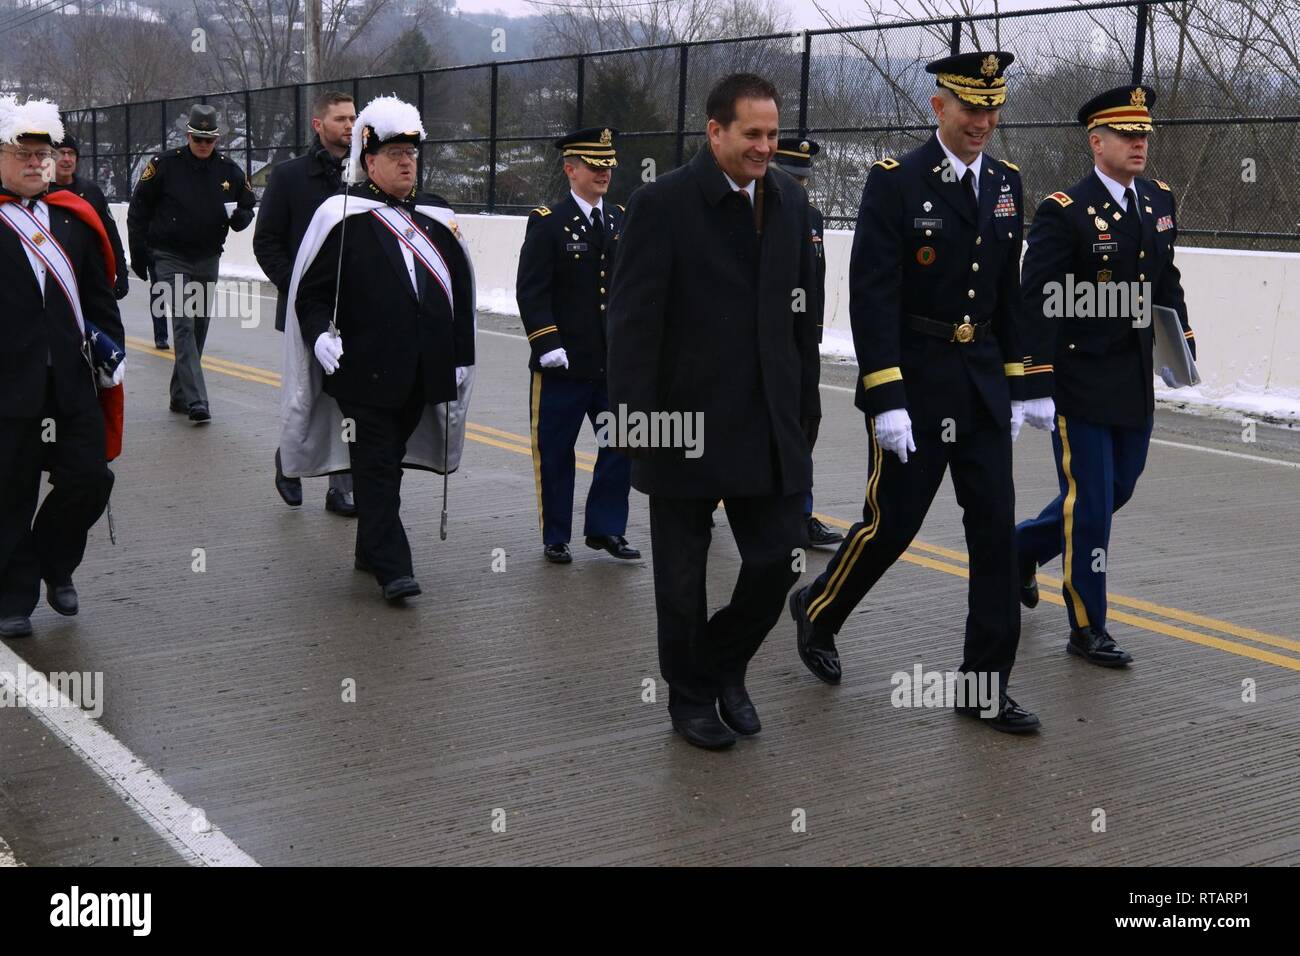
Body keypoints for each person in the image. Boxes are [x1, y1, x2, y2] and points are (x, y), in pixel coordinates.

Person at [787, 51, 1040, 733]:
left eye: (993, 108)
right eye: (970, 107)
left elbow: (1007, 293)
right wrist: (886, 395)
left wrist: (1021, 383)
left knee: (994, 537)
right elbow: (872, 293)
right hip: (918, 383)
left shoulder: (1009, 183)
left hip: (982, 384)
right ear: (939, 108)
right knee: (891, 526)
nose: (983, 120)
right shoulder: (896, 181)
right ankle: (817, 610)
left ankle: (983, 686)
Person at [607, 73, 821, 750]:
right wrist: (632, 420)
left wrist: (804, 411)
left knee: (780, 560)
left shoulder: (789, 201)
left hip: (765, 424)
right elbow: (632, 324)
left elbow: (802, 324)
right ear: (715, 132)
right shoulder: (662, 204)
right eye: (752, 134)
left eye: (772, 134)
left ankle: (724, 662)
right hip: (680, 425)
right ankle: (692, 698)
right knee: (680, 578)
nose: (764, 147)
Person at [1016, 85, 1194, 667]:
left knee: (1118, 489)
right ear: (1097, 142)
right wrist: (1037, 377)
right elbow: (1040, 296)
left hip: (1131, 376)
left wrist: (1179, 351)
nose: (1139, 144)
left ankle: (1015, 551)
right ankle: (1088, 626)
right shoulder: (1064, 209)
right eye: (1126, 135)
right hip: (1080, 377)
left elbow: (1165, 283)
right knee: (1090, 503)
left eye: (1143, 134)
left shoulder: (1159, 201)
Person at [284, 95, 476, 603]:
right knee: (374, 463)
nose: (407, 162)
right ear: (369, 161)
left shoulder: (437, 219)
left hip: (421, 373)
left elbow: (460, 295)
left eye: (411, 153)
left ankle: (370, 548)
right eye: (394, 154)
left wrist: (460, 356)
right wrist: (319, 332)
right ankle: (395, 567)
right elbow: (313, 293)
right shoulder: (342, 218)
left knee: (387, 465)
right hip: (363, 373)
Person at [0, 97, 124, 638]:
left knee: (90, 479)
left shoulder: (73, 217)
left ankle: (54, 561)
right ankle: (13, 593)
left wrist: (110, 349)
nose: (34, 162)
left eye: (42, 152)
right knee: (10, 492)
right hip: (9, 385)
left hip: (71, 383)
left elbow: (100, 298)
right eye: (21, 152)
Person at [516, 126, 638, 565]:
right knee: (555, 451)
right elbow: (531, 290)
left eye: (607, 165)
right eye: (593, 166)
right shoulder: (548, 222)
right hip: (563, 363)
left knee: (622, 444)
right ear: (570, 169)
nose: (603, 173)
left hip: (611, 363)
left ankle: (607, 529)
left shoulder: (620, 219)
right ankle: (556, 535)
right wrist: (547, 342)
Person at [255, 90, 358, 517]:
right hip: (304, 310)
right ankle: (289, 462)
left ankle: (342, 488)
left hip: (354, 310)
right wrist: (296, 288)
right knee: (306, 396)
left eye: (353, 118)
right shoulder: (289, 176)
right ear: (318, 125)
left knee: (349, 400)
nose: (349, 126)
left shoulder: (364, 176)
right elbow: (267, 242)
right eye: (340, 119)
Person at [127, 104, 255, 423]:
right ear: (188, 135)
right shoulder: (164, 166)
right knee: (183, 324)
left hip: (208, 256)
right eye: (197, 138)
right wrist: (139, 254)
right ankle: (198, 401)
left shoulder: (229, 170)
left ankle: (179, 395)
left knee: (198, 329)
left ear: (216, 140)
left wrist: (241, 217)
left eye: (208, 140)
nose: (202, 144)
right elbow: (138, 210)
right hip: (170, 256)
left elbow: (247, 205)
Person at [771, 136, 843, 549]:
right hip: (764, 343)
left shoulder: (811, 218)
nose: (800, 187)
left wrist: (811, 336)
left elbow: (815, 278)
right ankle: (708, 503)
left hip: (801, 346)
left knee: (804, 428)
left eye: (804, 180)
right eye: (791, 178)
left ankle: (801, 515)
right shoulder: (756, 212)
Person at [50, 133, 129, 302]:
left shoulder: (91, 191)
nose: (66, 159)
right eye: (61, 153)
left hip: (90, 276)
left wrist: (121, 273)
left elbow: (111, 234)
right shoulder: (39, 193)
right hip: (55, 278)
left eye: (71, 153)